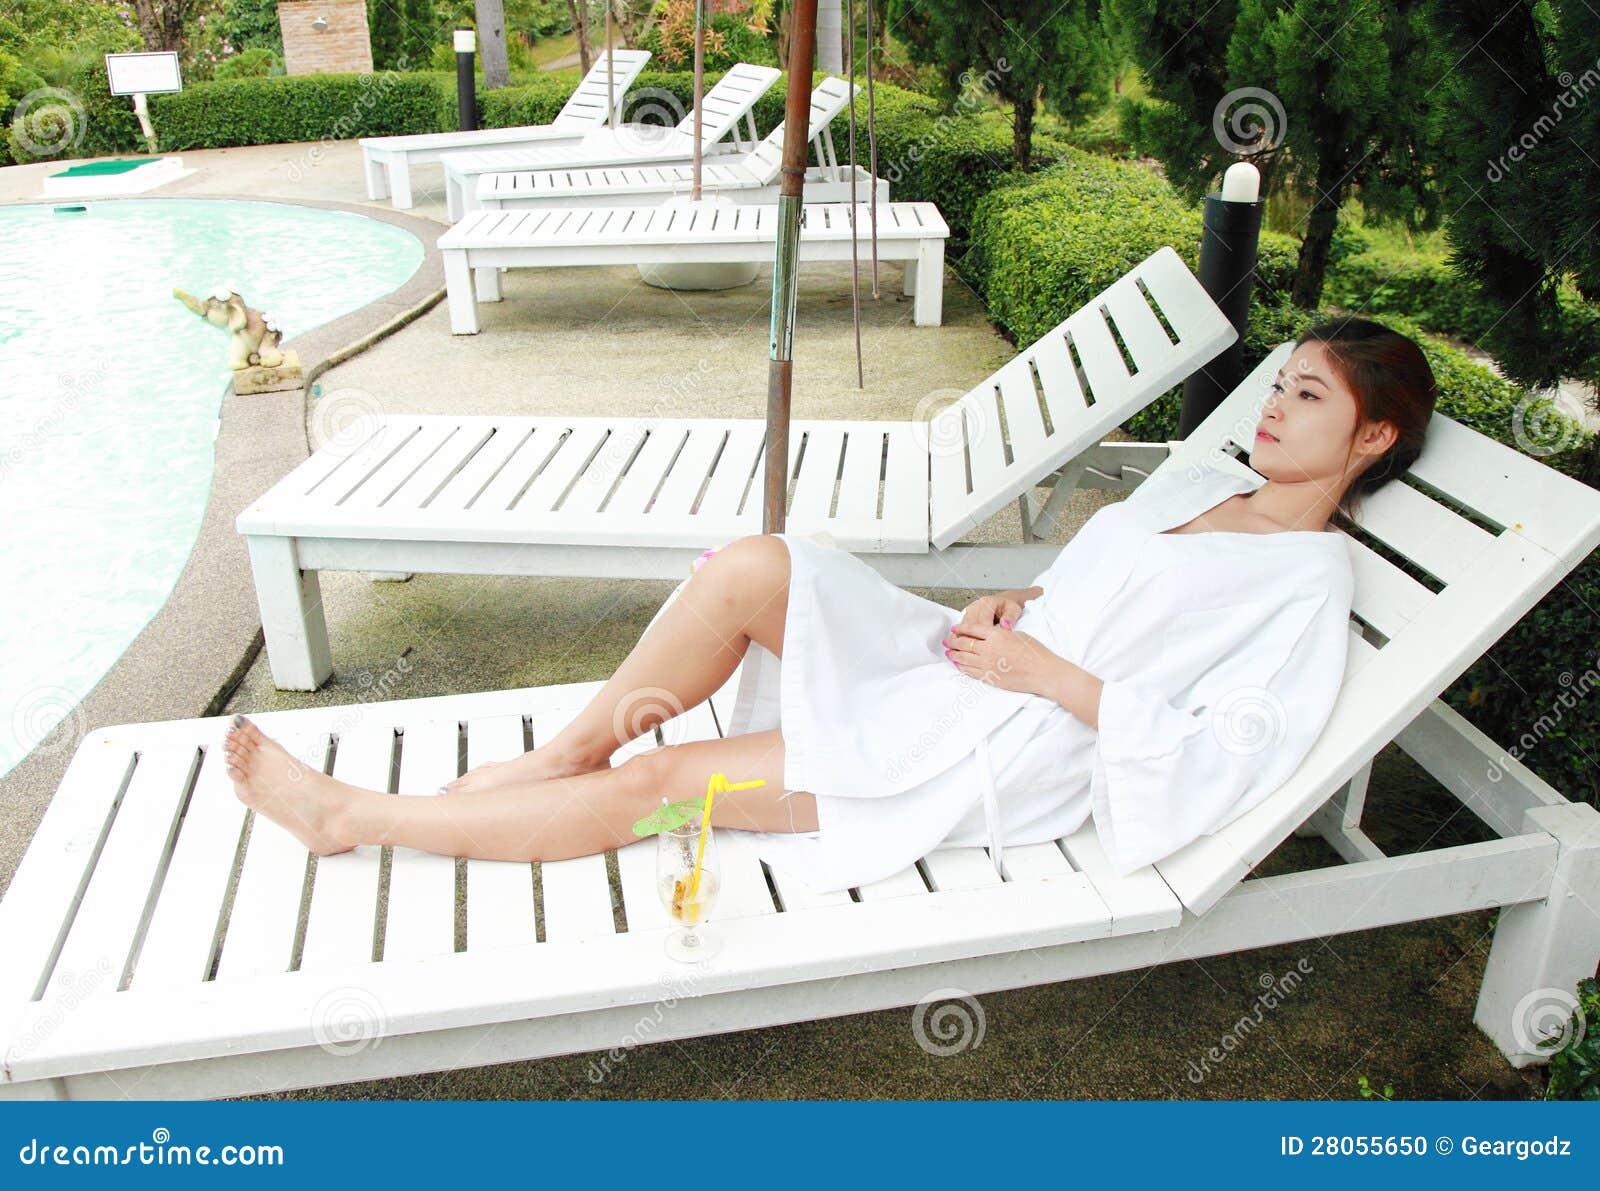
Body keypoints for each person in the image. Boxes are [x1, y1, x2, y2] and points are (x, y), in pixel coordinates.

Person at [222, 318, 1439, 891]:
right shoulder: (1207, 495)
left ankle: (359, 819)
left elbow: (1233, 748)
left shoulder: (1307, 577)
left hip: (1001, 744)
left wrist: (1052, 681)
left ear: (1371, 438)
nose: (1272, 410)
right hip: (978, 666)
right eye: (1278, 387)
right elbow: (1106, 593)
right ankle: (563, 753)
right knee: (758, 561)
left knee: (668, 791)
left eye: (1309, 400)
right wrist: (1021, 605)